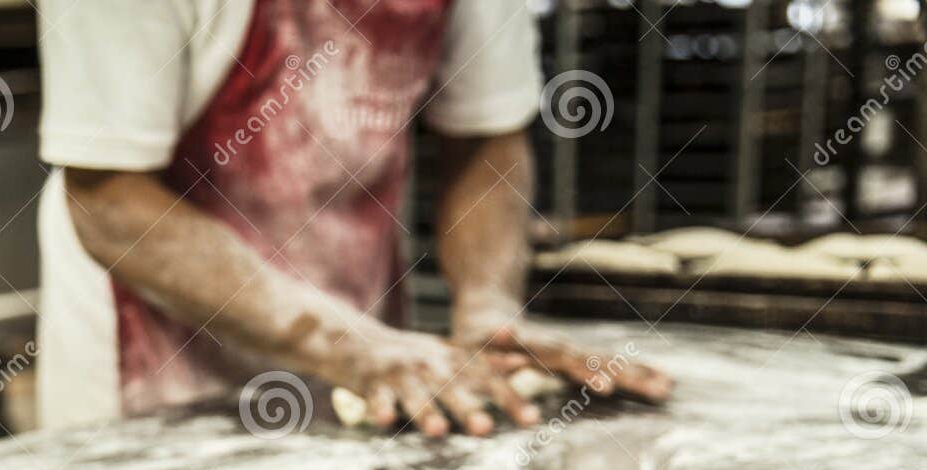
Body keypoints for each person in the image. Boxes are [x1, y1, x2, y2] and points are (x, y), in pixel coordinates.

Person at [34, 0, 673, 435]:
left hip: (374, 354)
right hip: (151, 365)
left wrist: (487, 309)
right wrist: (343, 342)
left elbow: (485, 142)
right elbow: (109, 199)